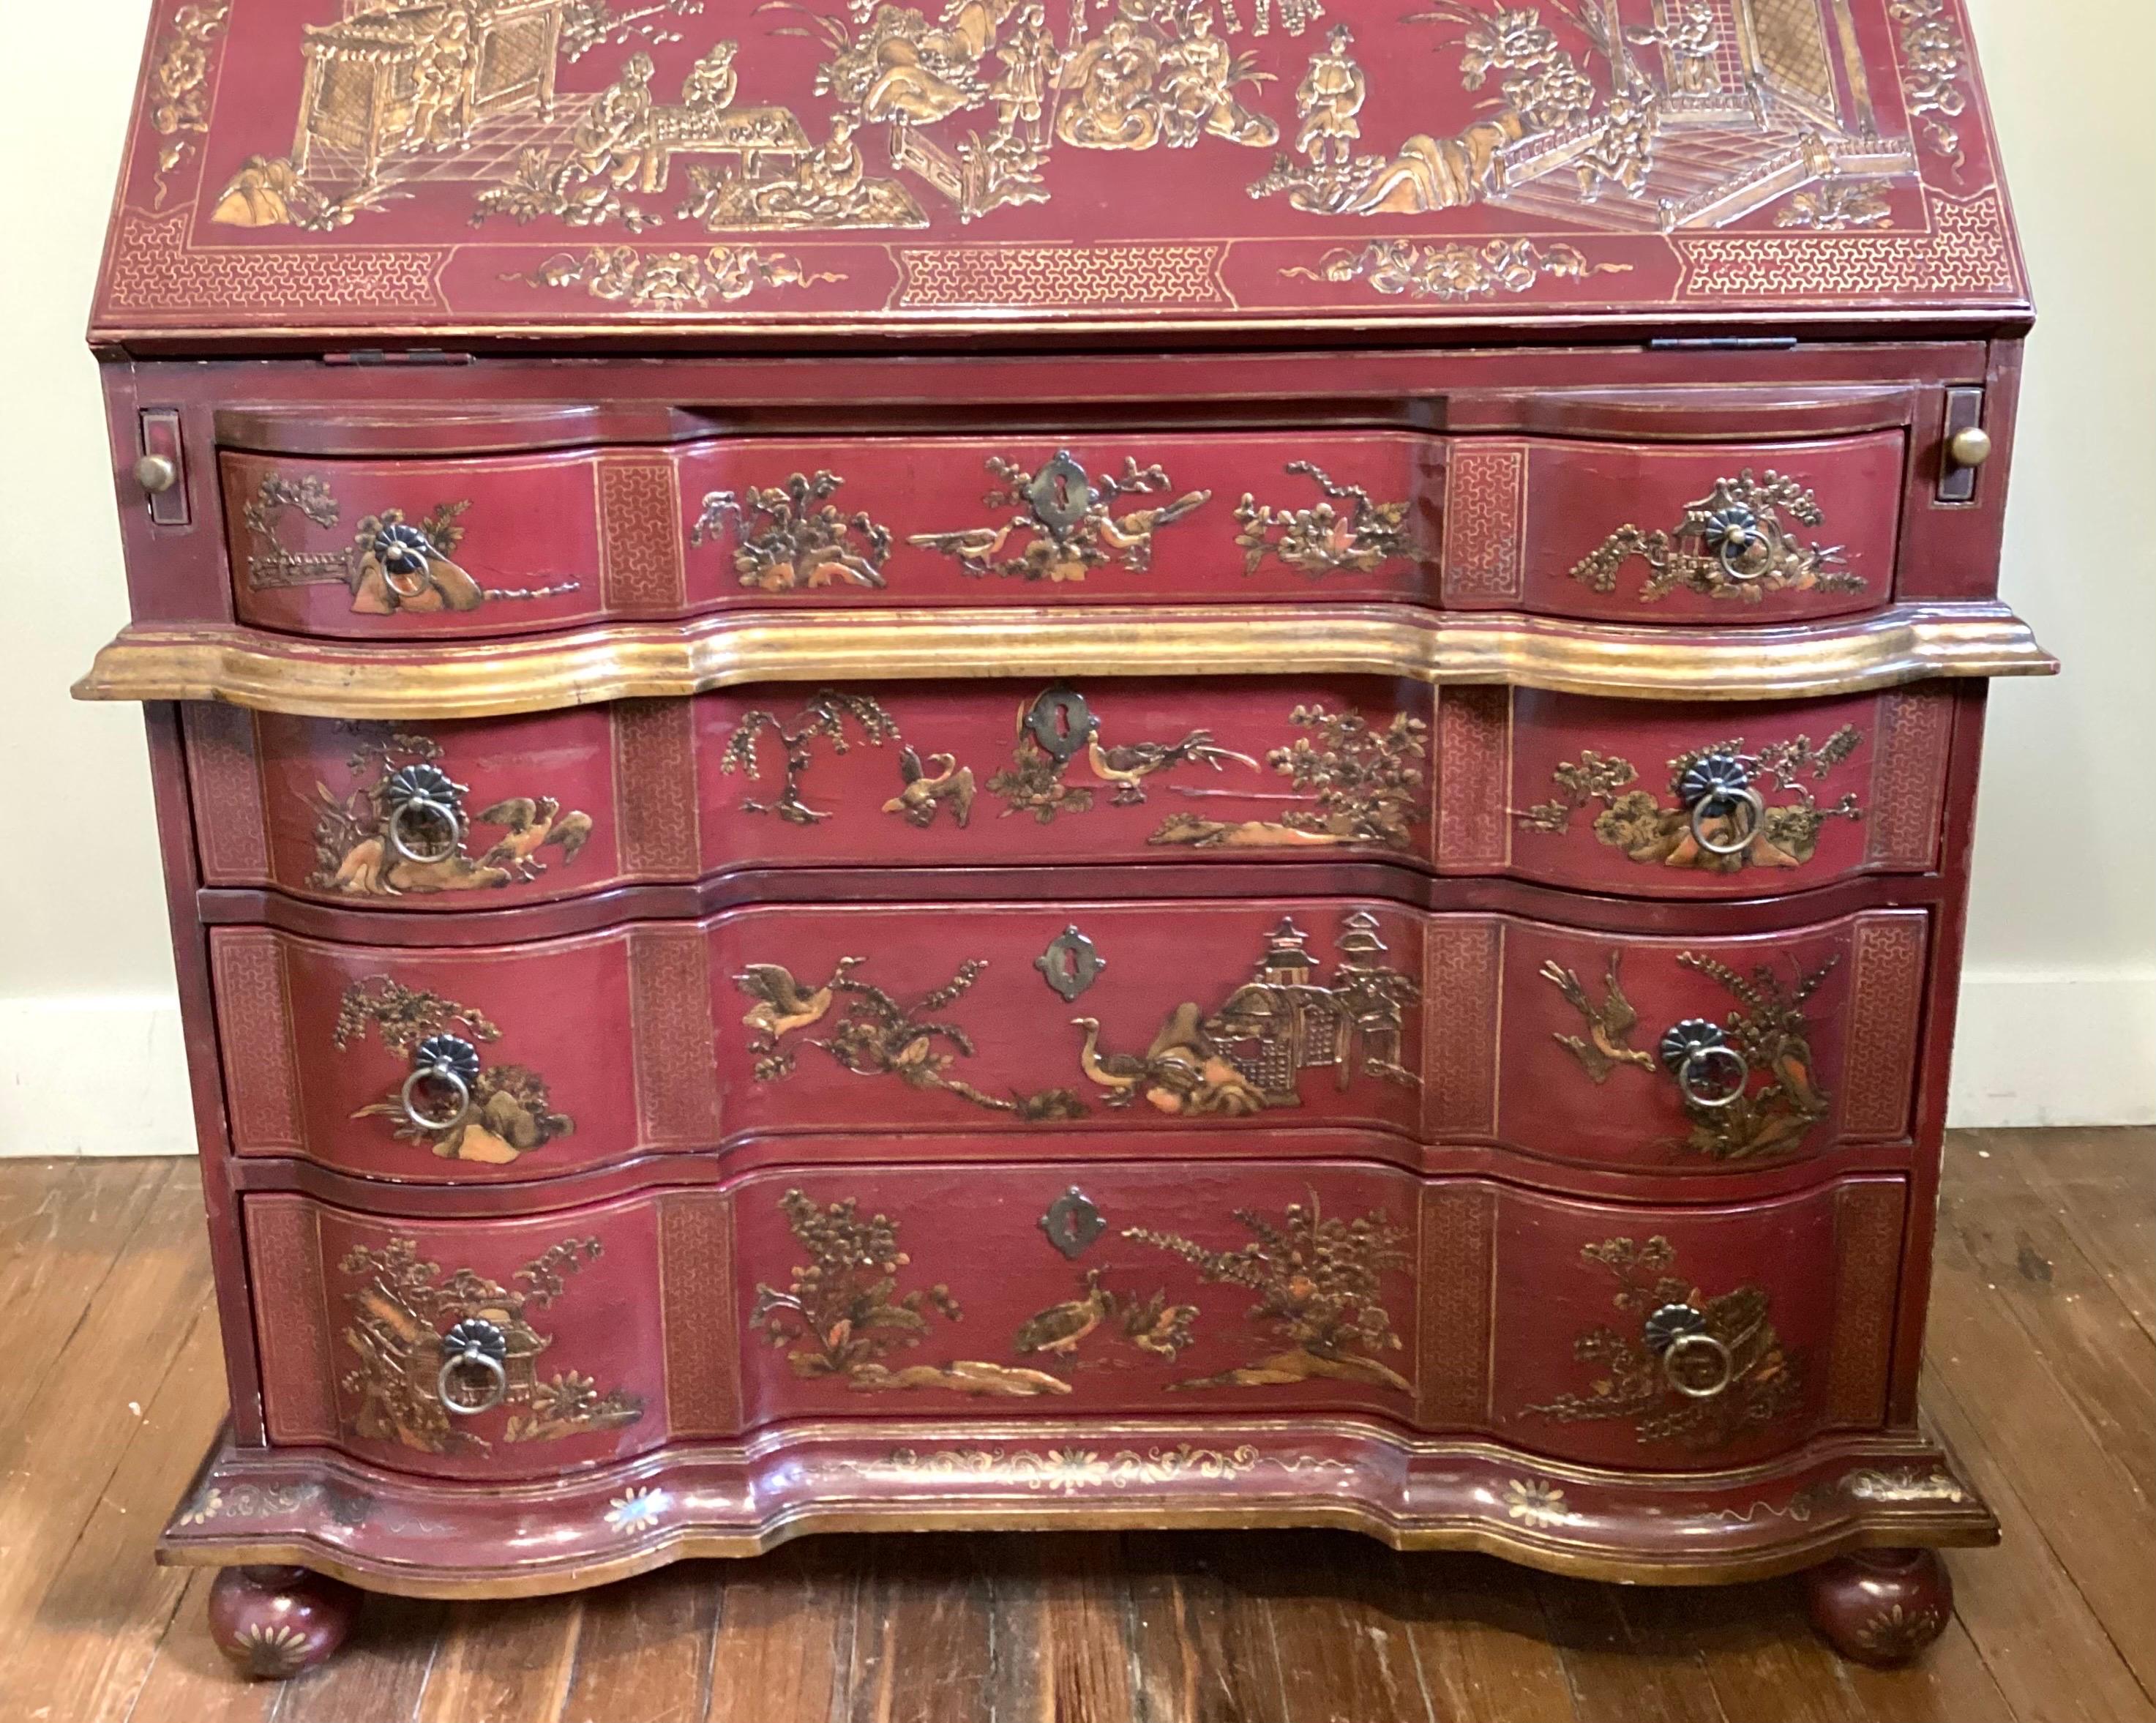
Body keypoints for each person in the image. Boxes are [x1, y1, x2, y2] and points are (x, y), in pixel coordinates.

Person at [1295, 23, 1363, 168]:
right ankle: (1317, 161)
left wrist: (1346, 106)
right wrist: (1306, 100)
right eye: (1335, 41)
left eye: (1340, 42)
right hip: (1320, 106)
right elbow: (1309, 82)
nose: (1337, 45)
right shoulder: (1319, 65)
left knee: (1342, 137)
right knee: (1313, 135)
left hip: (1339, 109)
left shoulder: (1350, 69)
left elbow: (1358, 91)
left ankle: (1342, 162)